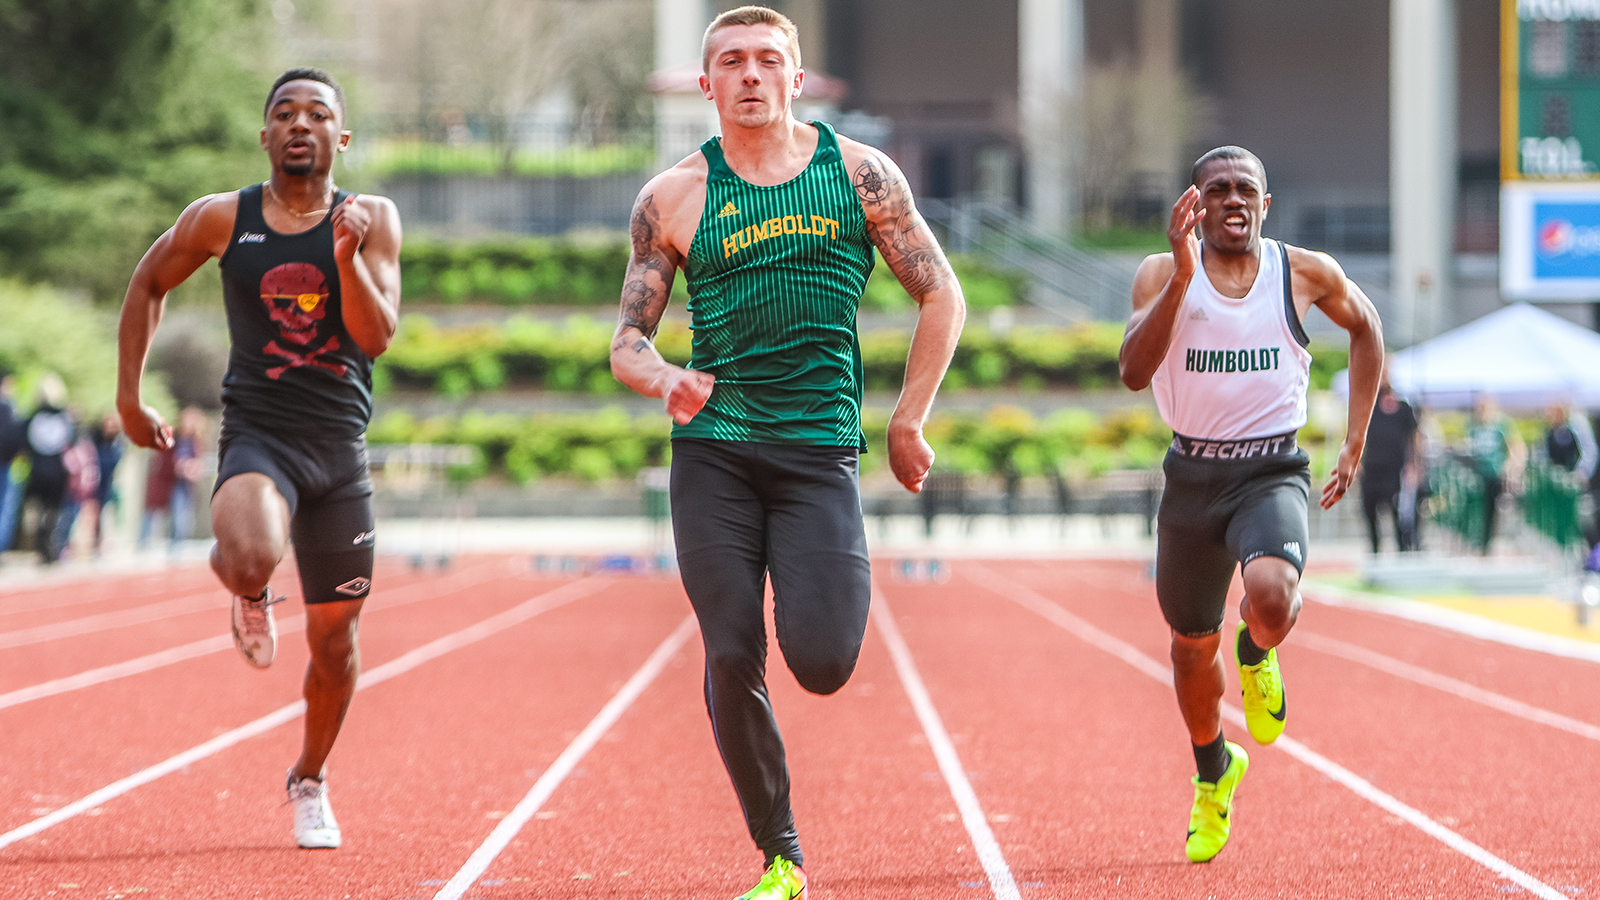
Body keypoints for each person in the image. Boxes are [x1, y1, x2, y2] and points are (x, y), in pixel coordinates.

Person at [608, 8, 964, 898]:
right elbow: (626, 341)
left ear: (797, 79)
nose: (752, 75)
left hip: (816, 455)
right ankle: (782, 857)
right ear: (708, 83)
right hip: (716, 454)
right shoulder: (673, 196)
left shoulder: (859, 175)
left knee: (824, 662)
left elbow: (942, 295)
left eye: (770, 60)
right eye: (732, 61)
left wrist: (907, 419)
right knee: (731, 652)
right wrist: (666, 381)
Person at [116, 67, 401, 849]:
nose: (300, 124)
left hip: (338, 450)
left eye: (318, 114)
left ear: (341, 137)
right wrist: (129, 399)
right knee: (250, 556)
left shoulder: (371, 218)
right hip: (259, 437)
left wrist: (344, 261)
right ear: (266, 133)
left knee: (334, 642)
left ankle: (308, 778)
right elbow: (147, 283)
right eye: (285, 113)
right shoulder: (220, 219)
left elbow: (377, 337)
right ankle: (247, 588)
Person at [1119, 146, 1382, 863]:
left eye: (1247, 190)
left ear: (1265, 205)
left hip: (1271, 468)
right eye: (1218, 190)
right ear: (1196, 204)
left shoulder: (1301, 272)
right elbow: (1134, 374)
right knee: (1187, 647)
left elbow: (1365, 328)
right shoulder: (1158, 271)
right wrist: (1179, 274)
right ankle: (1214, 771)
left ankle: (1256, 648)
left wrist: (1354, 439)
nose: (1233, 199)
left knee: (1273, 595)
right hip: (1192, 475)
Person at [1360, 368, 1419, 553]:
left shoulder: (1403, 408)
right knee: (1370, 512)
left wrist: (1413, 465)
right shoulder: (1369, 406)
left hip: (1394, 469)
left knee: (1397, 512)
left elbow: (1414, 438)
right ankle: (1375, 552)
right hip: (1371, 468)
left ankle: (1401, 551)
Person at [23, 375, 76, 564]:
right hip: (56, 473)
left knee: (41, 512)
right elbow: (72, 442)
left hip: (38, 472)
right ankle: (51, 548)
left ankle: (42, 548)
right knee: (52, 513)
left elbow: (25, 443)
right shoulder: (65, 417)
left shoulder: (33, 416)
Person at [1466, 394, 1525, 555]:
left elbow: (1516, 446)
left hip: (1495, 475)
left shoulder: (1501, 425)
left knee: (1494, 510)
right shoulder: (1473, 426)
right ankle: (1479, 542)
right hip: (1478, 475)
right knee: (1477, 510)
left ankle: (1488, 543)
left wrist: (1511, 467)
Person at [0, 369, 22, 553]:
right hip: (4, 463)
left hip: (5, 462)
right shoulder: (7, 408)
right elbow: (12, 437)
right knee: (5, 508)